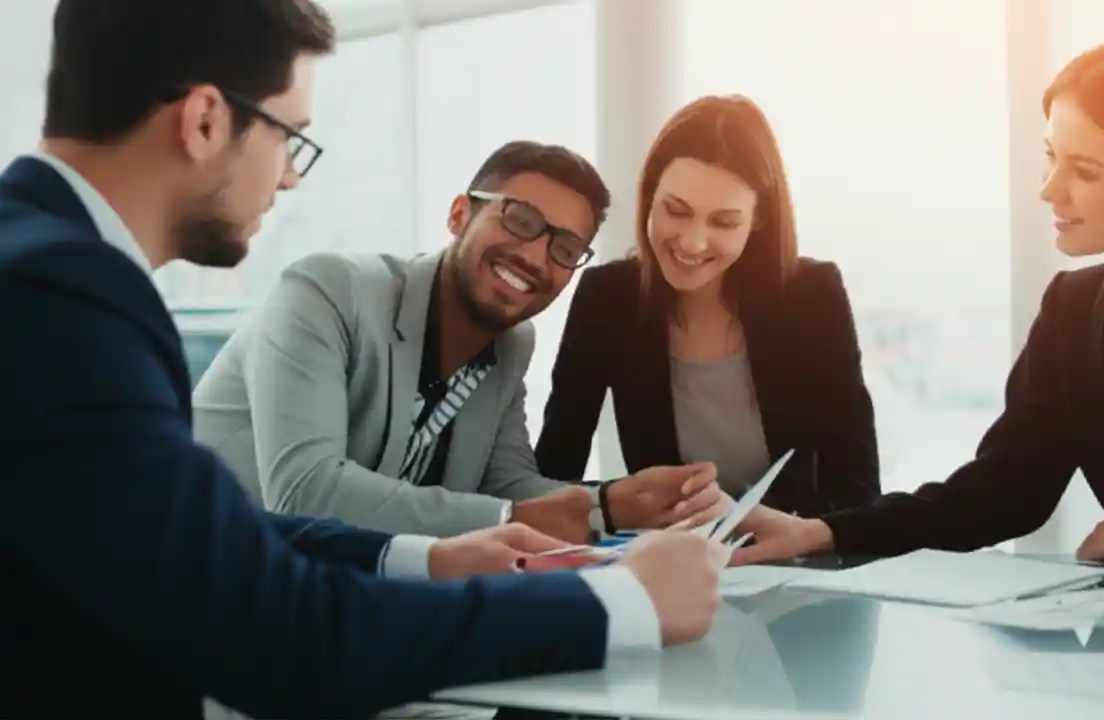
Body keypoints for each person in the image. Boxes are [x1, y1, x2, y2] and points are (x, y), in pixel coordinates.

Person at [0, 2, 724, 718]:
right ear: (205, 122)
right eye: (291, 138)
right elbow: (279, 630)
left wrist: (428, 557)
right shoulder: (65, 299)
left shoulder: (44, 268)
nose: (289, 179)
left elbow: (186, 542)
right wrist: (614, 605)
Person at [733, 30, 1104, 577]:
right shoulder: (1074, 311)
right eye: (1051, 157)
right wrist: (827, 531)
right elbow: (1003, 490)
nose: (1049, 189)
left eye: (1084, 170)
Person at [193, 140, 726, 544]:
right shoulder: (327, 291)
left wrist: (610, 502)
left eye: (564, 247)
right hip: (189, 583)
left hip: (331, 596)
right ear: (458, 214)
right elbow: (304, 491)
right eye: (520, 220)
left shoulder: (512, 345)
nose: (535, 256)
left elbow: (507, 482)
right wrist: (514, 520)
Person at [536, 95, 880, 518]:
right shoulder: (607, 298)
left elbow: (858, 494)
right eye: (675, 211)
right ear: (649, 199)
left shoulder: (812, 296)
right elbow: (554, 475)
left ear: (758, 221)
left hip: (791, 559)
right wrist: (612, 508)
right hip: (668, 557)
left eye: (723, 222)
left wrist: (748, 520)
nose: (692, 243)